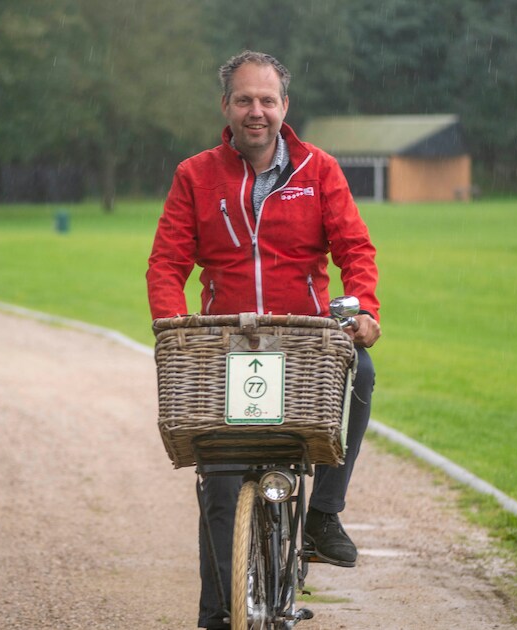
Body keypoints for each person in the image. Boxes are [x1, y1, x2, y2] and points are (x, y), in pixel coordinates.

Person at [145, 50, 381, 630]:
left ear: (285, 107)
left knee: (364, 372)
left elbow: (355, 250)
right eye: (245, 99)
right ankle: (217, 617)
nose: (257, 111)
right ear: (226, 106)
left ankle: (323, 515)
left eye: (267, 100)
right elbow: (167, 264)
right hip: (224, 343)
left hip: (305, 342)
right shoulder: (195, 175)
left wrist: (364, 312)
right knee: (220, 484)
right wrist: (173, 326)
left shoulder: (319, 170)